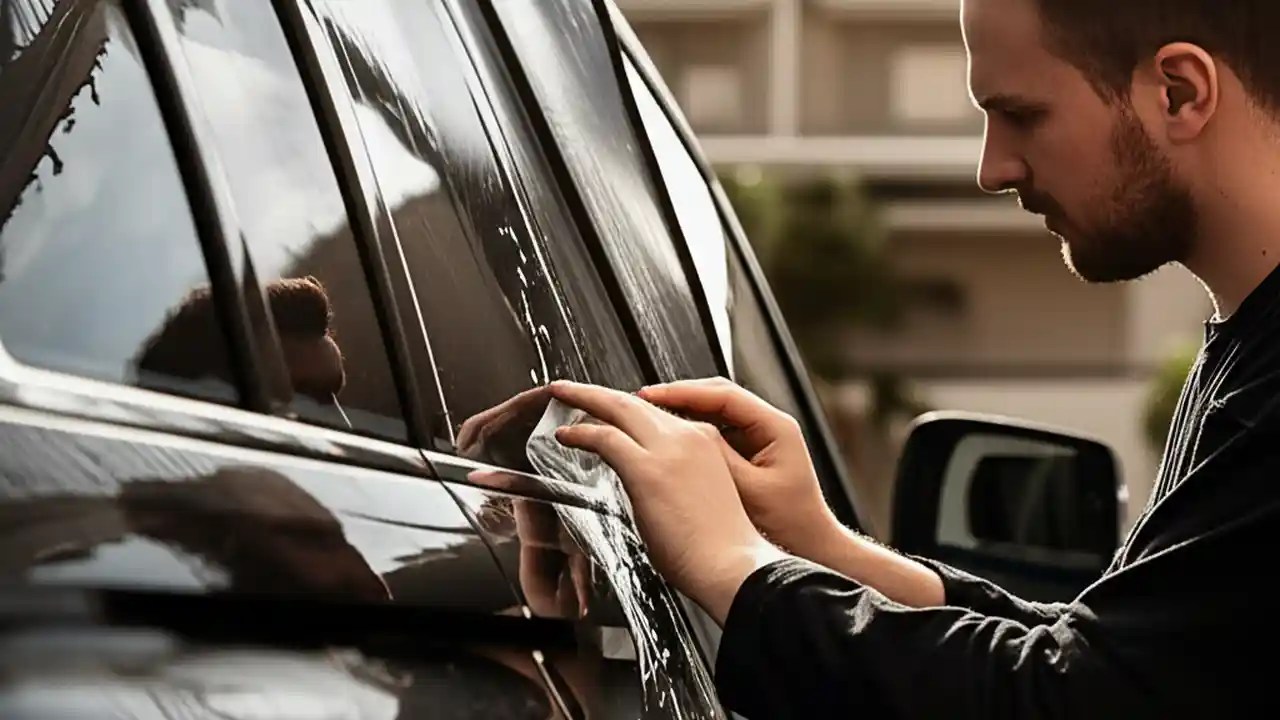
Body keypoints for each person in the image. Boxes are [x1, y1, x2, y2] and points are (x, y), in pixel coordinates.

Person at [543, 0, 1280, 717]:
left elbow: (1079, 700)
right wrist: (819, 545)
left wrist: (732, 565)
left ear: (1179, 92)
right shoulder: (1249, 350)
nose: (993, 168)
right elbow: (1113, 663)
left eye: (1022, 114)